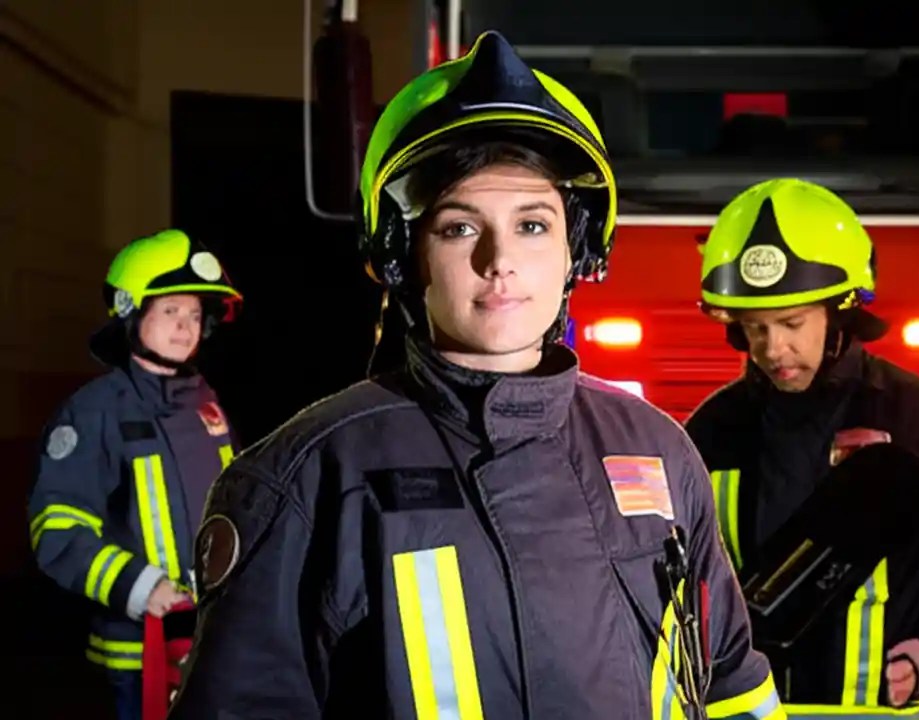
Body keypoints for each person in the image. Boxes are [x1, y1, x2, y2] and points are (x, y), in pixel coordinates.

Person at [169, 31, 781, 720]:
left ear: (576, 250)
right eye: (459, 228)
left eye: (532, 225)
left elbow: (731, 683)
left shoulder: (660, 451)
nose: (500, 261)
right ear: (403, 256)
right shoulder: (305, 479)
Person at [684, 178, 919, 718]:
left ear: (841, 312)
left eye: (792, 323)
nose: (773, 348)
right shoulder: (714, 429)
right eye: (754, 328)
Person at [27, 229, 243, 719]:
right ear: (130, 311)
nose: (185, 326)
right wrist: (142, 587)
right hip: (135, 659)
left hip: (210, 645)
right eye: (170, 311)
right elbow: (57, 530)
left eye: (195, 315)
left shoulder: (207, 407)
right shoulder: (94, 412)